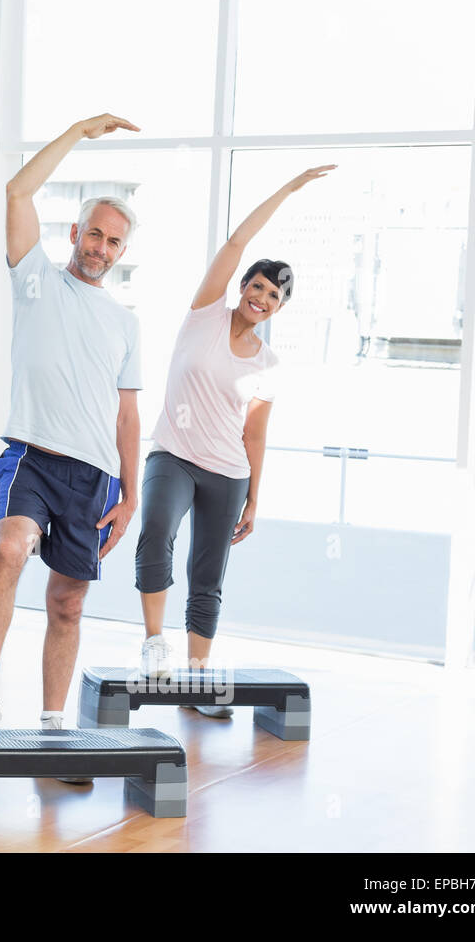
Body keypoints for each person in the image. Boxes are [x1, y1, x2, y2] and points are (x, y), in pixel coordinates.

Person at [0, 112, 142, 746]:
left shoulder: (126, 324)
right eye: (95, 235)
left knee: (68, 604)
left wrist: (132, 496)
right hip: (33, 455)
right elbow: (16, 191)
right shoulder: (35, 279)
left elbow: (128, 415)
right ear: (76, 232)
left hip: (94, 474)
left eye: (114, 243)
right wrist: (78, 134)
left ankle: (54, 725)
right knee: (10, 547)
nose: (102, 249)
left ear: (122, 252)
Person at [136, 165, 335, 718]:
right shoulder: (203, 315)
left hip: (229, 470)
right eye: (257, 286)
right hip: (173, 454)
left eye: (273, 296)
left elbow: (256, 432)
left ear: (279, 308)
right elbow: (238, 239)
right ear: (243, 286)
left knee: (209, 572)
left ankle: (198, 680)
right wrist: (290, 189)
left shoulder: (269, 363)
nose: (262, 298)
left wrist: (255, 496)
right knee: (156, 531)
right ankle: (156, 642)